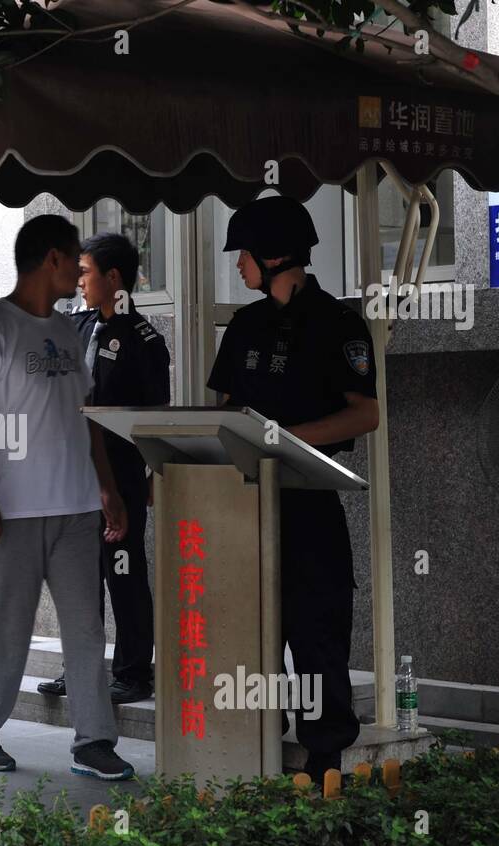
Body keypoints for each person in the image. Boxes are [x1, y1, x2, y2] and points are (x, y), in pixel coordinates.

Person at [0, 214, 136, 781]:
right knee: (9, 625)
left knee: (86, 629)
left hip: (77, 508)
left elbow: (87, 419)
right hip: (14, 512)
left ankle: (94, 741)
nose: (79, 273)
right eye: (73, 259)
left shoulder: (67, 331)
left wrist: (107, 488)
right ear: (50, 258)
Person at [207, 194, 379, 781]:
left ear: (274, 255)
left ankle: (326, 758)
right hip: (248, 502)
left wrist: (286, 440)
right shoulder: (246, 324)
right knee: (251, 627)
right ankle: (255, 742)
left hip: (308, 504)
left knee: (316, 628)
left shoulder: (337, 323)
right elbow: (224, 411)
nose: (237, 266)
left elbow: (364, 414)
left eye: (244, 255)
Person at [37, 232, 171, 705]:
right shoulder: (75, 326)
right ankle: (81, 668)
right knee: (77, 575)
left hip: (121, 473)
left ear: (113, 278)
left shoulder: (144, 339)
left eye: (85, 272)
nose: (78, 281)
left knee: (124, 568)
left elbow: (155, 416)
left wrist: (152, 476)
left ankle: (134, 671)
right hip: (71, 475)